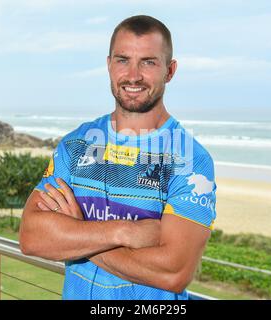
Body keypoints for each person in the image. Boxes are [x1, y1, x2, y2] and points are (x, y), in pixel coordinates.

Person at [19, 15, 217, 300]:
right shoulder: (75, 145)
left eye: (148, 62)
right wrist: (125, 232)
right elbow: (31, 237)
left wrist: (79, 232)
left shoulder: (189, 160)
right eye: (123, 60)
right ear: (109, 64)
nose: (133, 75)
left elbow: (173, 273)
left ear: (170, 71)